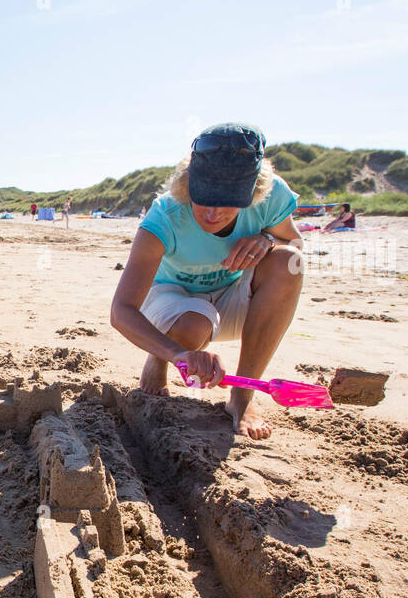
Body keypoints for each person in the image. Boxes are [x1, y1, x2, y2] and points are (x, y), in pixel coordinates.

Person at [109, 123, 304, 440]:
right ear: (190, 184)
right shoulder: (166, 215)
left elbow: (296, 245)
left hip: (232, 297)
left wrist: (267, 239)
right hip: (171, 299)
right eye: (205, 198)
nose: (213, 213)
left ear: (252, 192)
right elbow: (121, 311)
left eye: (228, 201)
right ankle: (159, 353)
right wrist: (178, 355)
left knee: (289, 263)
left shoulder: (270, 195)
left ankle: (242, 399)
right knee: (193, 326)